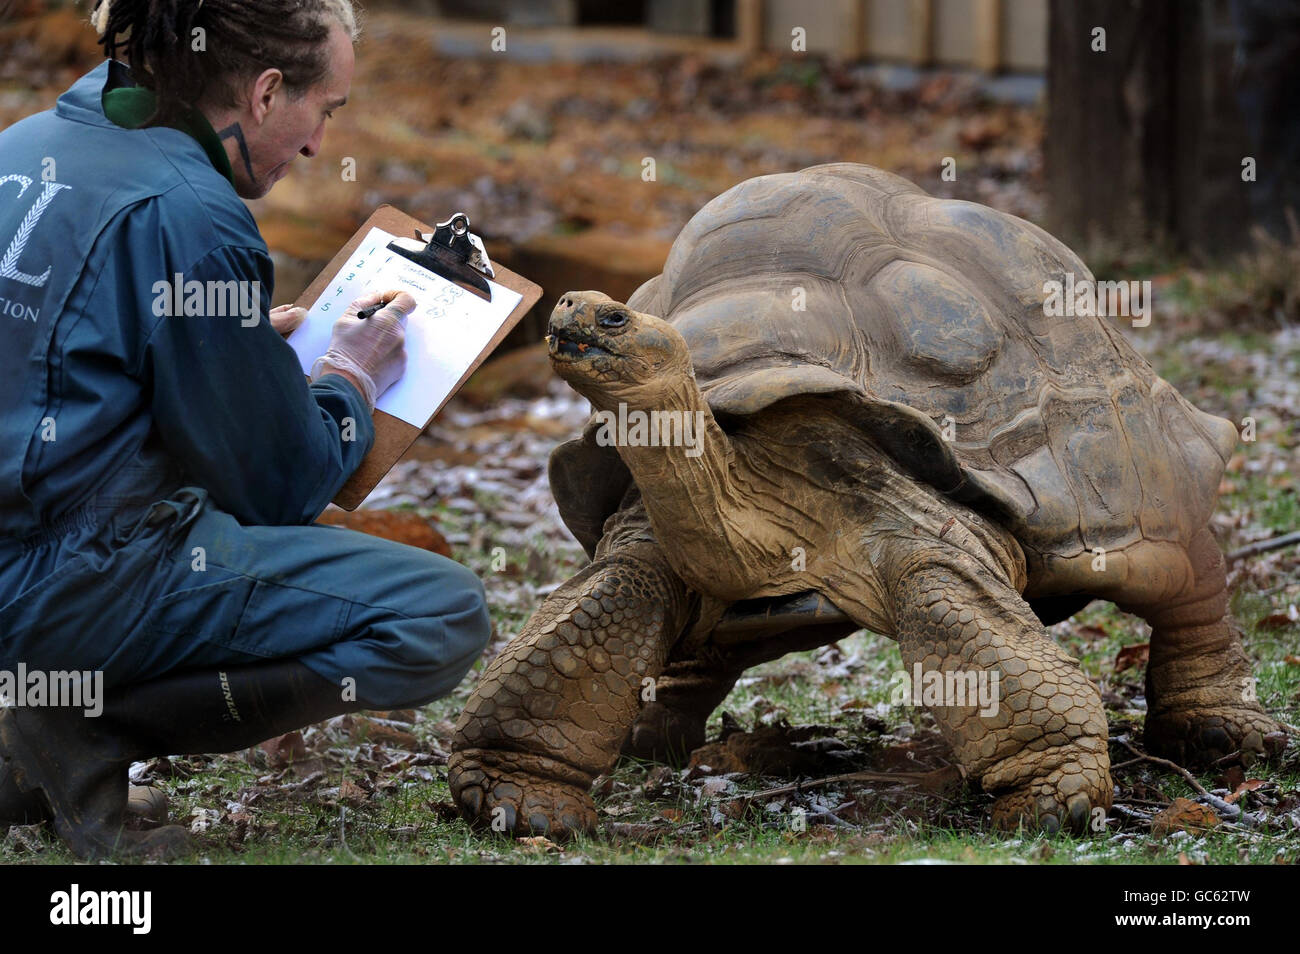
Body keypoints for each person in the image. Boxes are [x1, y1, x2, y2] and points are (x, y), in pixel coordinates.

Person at [0, 0, 491, 859]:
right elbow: (278, 487)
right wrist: (350, 376)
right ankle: (77, 727)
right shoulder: (192, 214)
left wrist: (226, 349)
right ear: (265, 93)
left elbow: (57, 357)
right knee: (438, 616)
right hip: (56, 583)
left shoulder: (24, 146)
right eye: (324, 112)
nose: (317, 146)